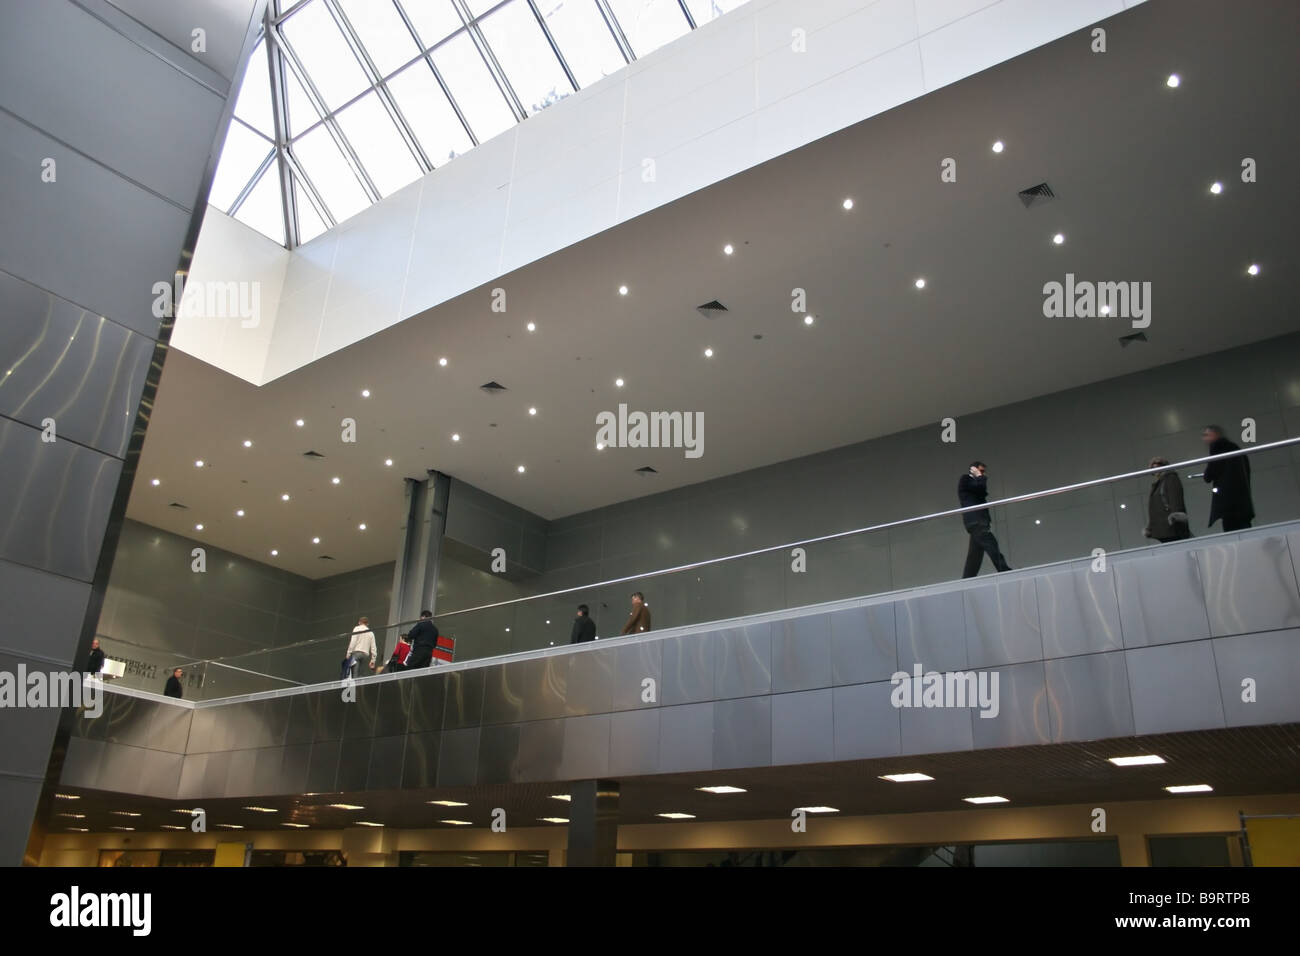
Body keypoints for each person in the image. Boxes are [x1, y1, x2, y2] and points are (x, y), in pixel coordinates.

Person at [957, 461, 1012, 578]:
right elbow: (980, 487)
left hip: (979, 521)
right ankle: (1004, 570)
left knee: (975, 555)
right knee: (991, 544)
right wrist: (980, 476)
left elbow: (981, 491)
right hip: (976, 521)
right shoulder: (966, 479)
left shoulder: (975, 483)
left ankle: (967, 579)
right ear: (973, 469)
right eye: (981, 471)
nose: (983, 474)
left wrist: (980, 477)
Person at [1201, 425, 1254, 531]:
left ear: (1214, 434)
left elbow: (1209, 475)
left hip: (1229, 501)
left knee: (1232, 531)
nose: (1204, 439)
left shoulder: (1218, 447)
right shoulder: (1233, 447)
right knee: (1245, 530)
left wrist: (1206, 474)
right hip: (1241, 499)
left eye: (1207, 435)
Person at [1143, 457, 1192, 543]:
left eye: (1157, 467)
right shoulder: (1160, 483)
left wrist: (1176, 518)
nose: (1155, 470)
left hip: (1170, 527)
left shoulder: (1170, 478)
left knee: (1176, 547)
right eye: (1153, 468)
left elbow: (1175, 499)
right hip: (1164, 527)